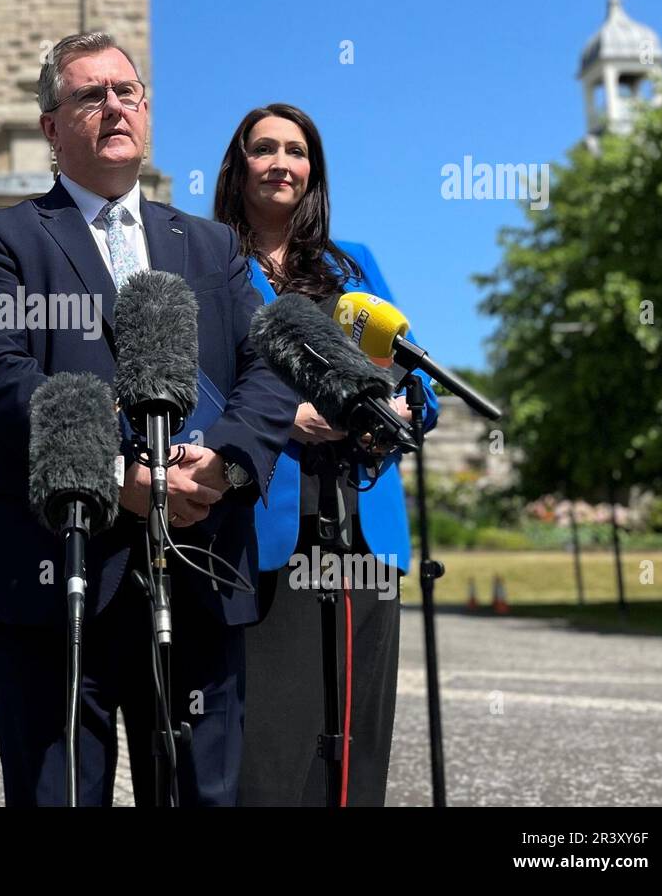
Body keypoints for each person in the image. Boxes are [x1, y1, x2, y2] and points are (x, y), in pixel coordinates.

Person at [0, 33, 297, 806]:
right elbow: (1, 378)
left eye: (127, 92)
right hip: (55, 568)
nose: (114, 108)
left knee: (203, 794)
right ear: (50, 127)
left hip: (199, 565)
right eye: (89, 95)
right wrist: (115, 476)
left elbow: (270, 366)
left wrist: (228, 461)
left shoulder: (212, 246)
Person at [213, 103, 439, 806]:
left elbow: (418, 377)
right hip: (263, 527)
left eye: (298, 150)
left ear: (313, 170)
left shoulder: (354, 264)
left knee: (355, 754)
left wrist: (405, 408)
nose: (283, 162)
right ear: (239, 163)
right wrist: (287, 417)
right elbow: (198, 394)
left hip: (364, 525)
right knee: (271, 753)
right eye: (265, 149)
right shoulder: (207, 263)